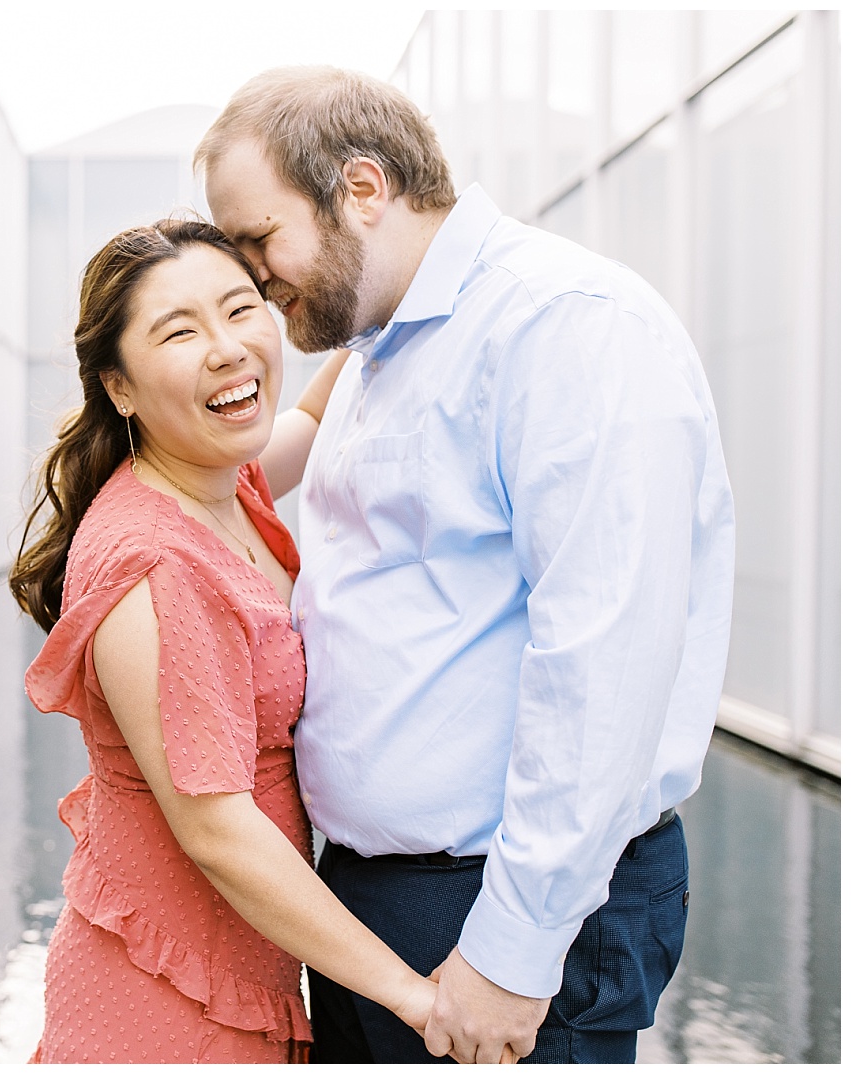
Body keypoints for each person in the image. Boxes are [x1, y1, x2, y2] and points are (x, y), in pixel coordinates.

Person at [197, 66, 735, 1063]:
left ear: (361, 189)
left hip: (500, 913)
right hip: (379, 900)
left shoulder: (566, 324)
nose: (252, 280)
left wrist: (512, 957)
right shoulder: (374, 352)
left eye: (258, 240)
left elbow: (602, 666)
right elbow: (272, 469)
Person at [9, 218, 443, 1063]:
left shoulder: (217, 477)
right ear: (120, 387)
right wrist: (414, 999)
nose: (227, 348)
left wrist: (402, 281)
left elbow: (311, 424)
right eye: (179, 331)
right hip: (166, 1005)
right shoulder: (155, 564)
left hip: (235, 970)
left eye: (241, 309)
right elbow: (216, 830)